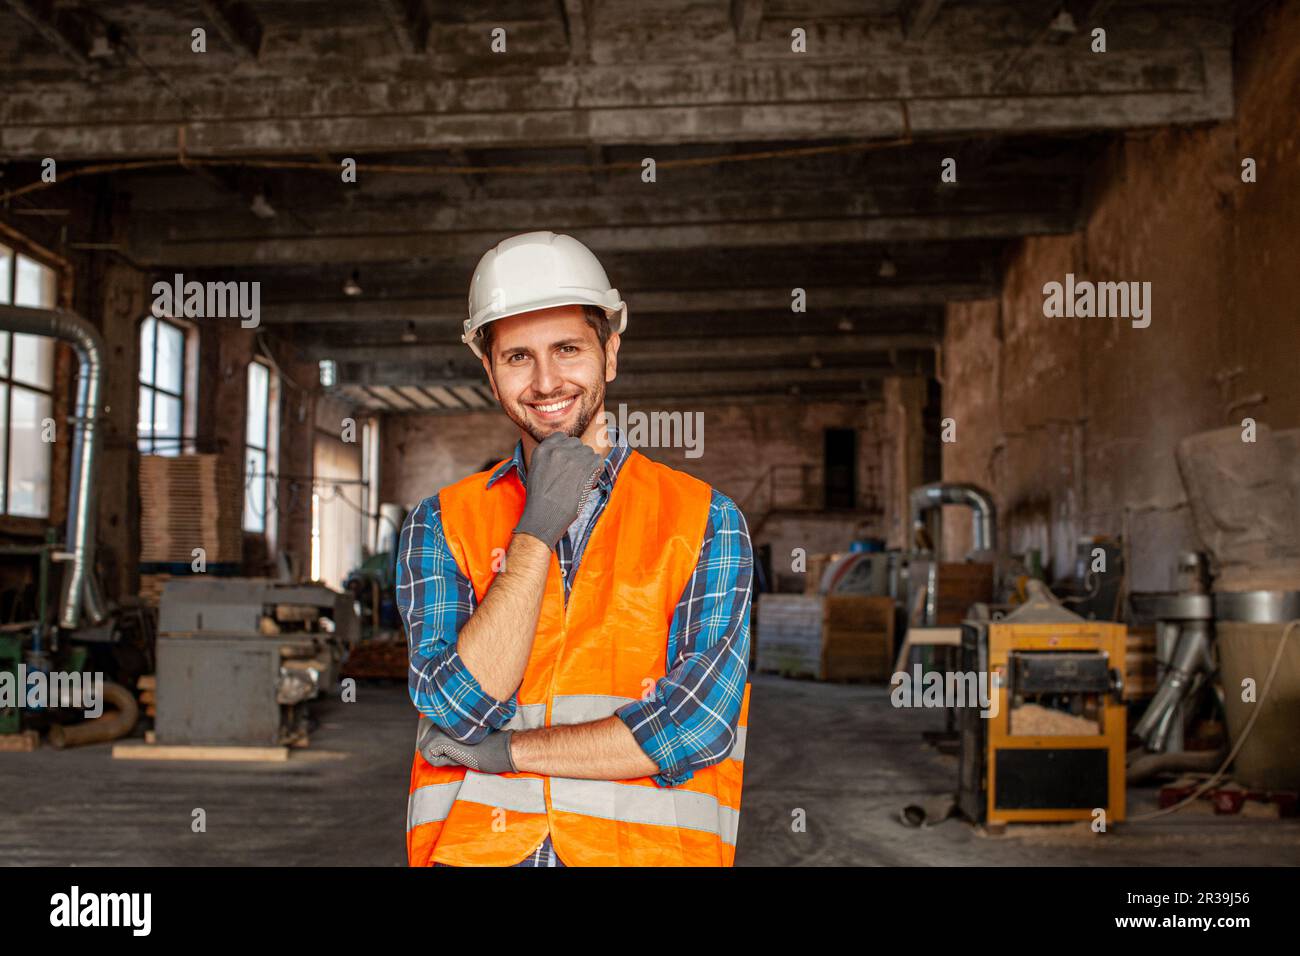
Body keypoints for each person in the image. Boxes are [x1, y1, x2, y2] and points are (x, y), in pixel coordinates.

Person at [397, 231, 752, 866]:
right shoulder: (441, 522)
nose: (545, 381)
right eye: (517, 357)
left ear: (610, 354)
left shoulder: (704, 519)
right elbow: (459, 709)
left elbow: (695, 726)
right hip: (478, 852)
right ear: (488, 369)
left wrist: (511, 753)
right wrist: (536, 530)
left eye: (568, 349)